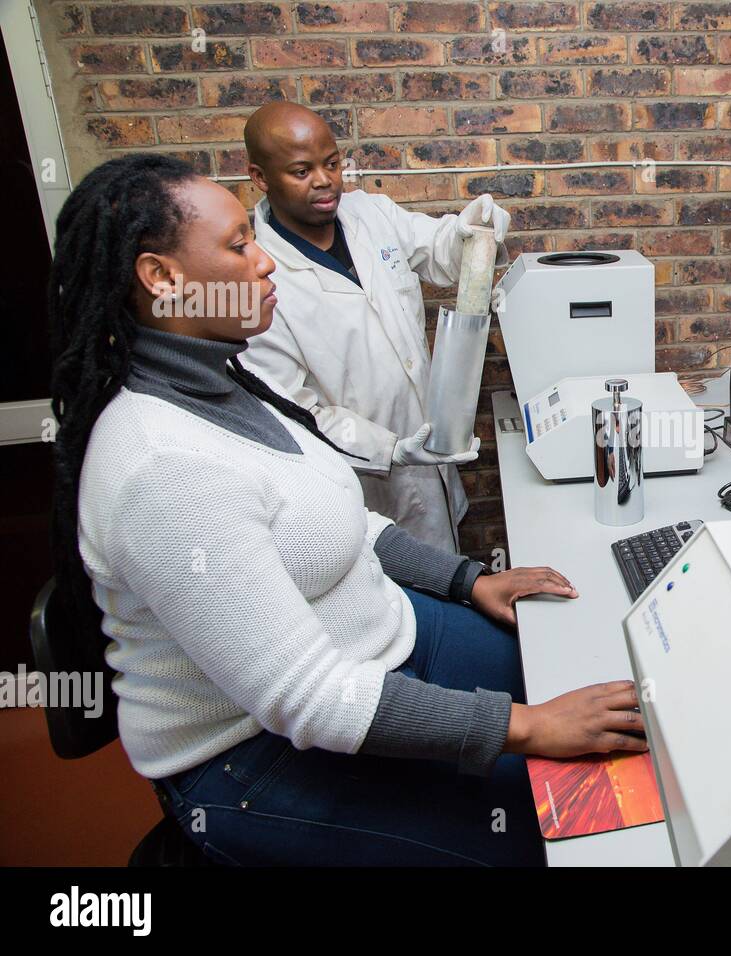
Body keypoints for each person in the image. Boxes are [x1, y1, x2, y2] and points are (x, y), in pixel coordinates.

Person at [48, 153, 646, 866]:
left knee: (579, 677)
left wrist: (468, 581)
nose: (265, 262)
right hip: (258, 754)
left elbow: (347, 521)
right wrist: (530, 728)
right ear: (163, 278)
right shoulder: (162, 466)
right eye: (239, 245)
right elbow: (307, 697)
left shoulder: (224, 384)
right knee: (548, 832)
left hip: (382, 636)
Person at [240, 101, 508, 554]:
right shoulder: (259, 285)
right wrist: (392, 450)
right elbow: (298, 414)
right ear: (260, 178)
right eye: (301, 171)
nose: (325, 180)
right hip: (362, 497)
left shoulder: (371, 215)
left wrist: (470, 229)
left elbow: (439, 251)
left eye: (331, 163)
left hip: (435, 474)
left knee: (446, 572)